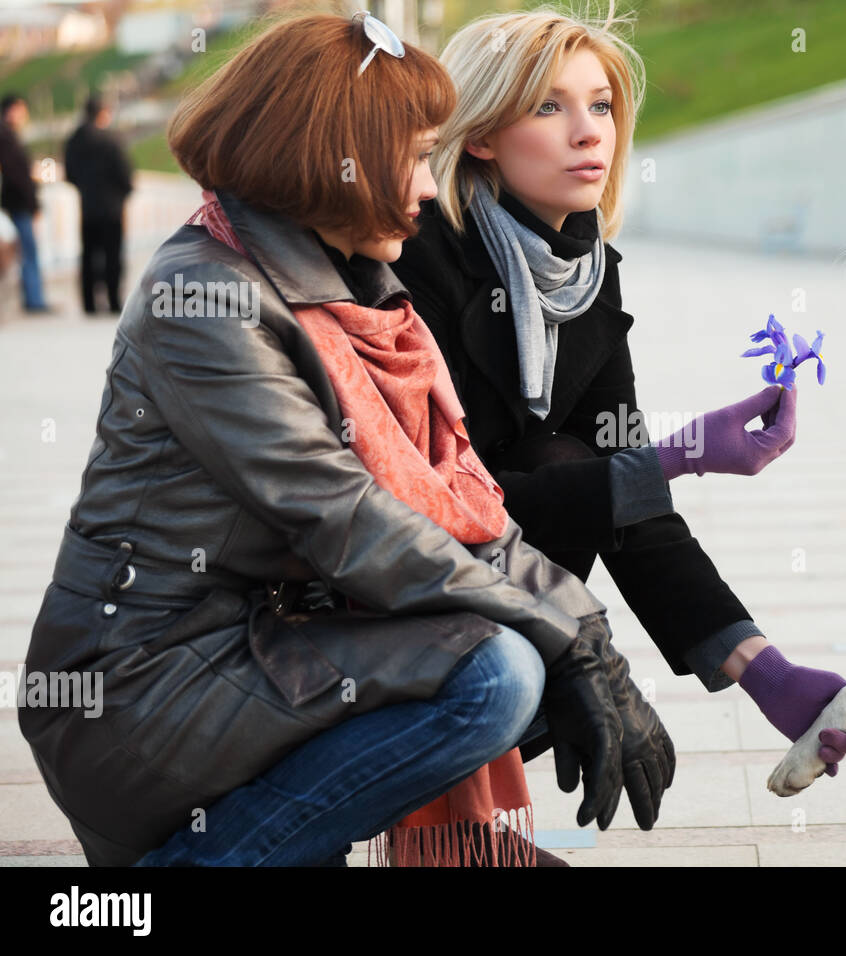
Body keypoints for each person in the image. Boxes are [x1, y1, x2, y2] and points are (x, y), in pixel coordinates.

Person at [18, 10, 647, 868]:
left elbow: (465, 509)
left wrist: (592, 638)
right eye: (415, 155)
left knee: (543, 661)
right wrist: (560, 639)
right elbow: (348, 520)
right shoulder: (205, 299)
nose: (430, 187)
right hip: (141, 689)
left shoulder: (359, 293)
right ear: (332, 155)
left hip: (256, 649)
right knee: (497, 673)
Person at [388, 1, 846, 838]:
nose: (589, 133)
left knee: (575, 454)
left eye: (601, 105)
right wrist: (680, 454)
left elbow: (626, 499)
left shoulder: (586, 270)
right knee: (561, 457)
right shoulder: (420, 255)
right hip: (393, 567)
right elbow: (446, 498)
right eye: (550, 106)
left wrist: (766, 671)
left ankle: (454, 821)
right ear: (479, 136)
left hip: (495, 558)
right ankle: (439, 814)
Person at [64, 93, 134, 316]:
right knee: (113, 255)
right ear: (102, 113)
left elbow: (70, 174)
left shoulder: (73, 140)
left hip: (88, 206)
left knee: (88, 255)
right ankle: (113, 301)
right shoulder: (111, 139)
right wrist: (124, 191)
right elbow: (124, 173)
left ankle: (89, 304)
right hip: (112, 206)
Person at [0, 93, 53, 314]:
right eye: (21, 109)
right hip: (18, 204)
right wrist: (33, 204)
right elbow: (17, 175)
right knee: (28, 251)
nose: (24, 115)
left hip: (15, 203)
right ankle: (34, 299)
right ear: (11, 110)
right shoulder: (6, 136)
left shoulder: (8, 135)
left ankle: (34, 297)